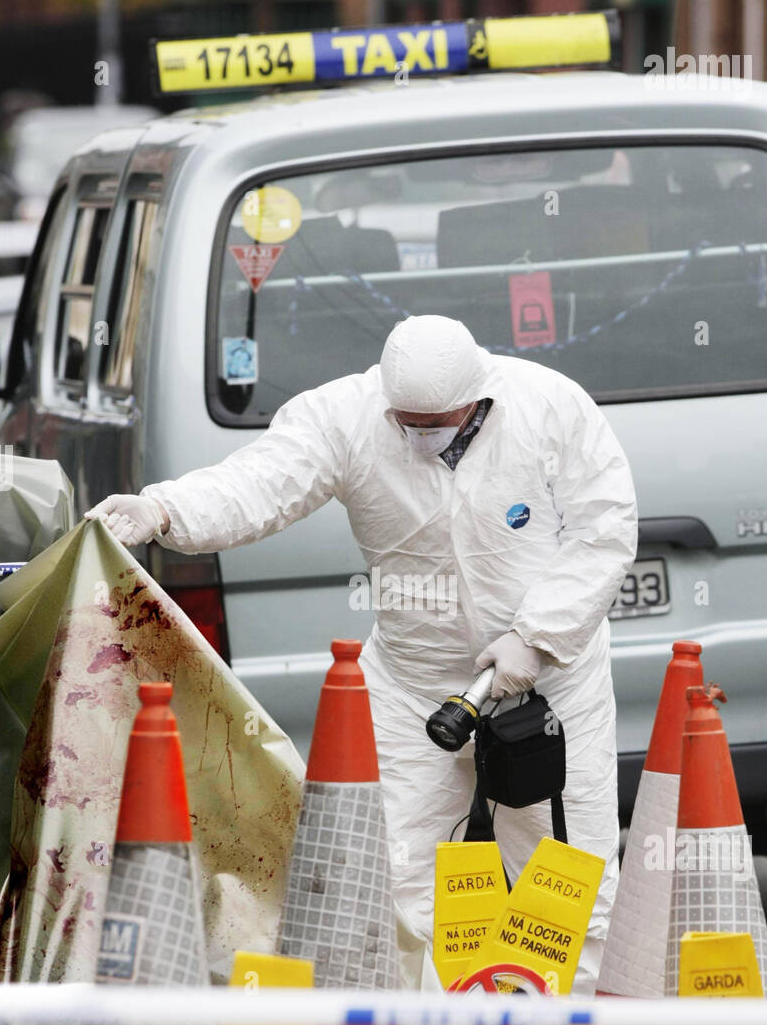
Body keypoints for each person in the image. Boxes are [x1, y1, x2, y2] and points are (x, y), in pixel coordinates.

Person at [87, 315, 637, 990]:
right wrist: (163, 511)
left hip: (547, 685)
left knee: (567, 880)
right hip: (413, 685)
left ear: (480, 397)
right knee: (393, 879)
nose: (423, 434)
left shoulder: (551, 409)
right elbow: (261, 482)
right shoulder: (345, 417)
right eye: (408, 421)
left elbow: (604, 530)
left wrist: (540, 634)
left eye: (440, 420)